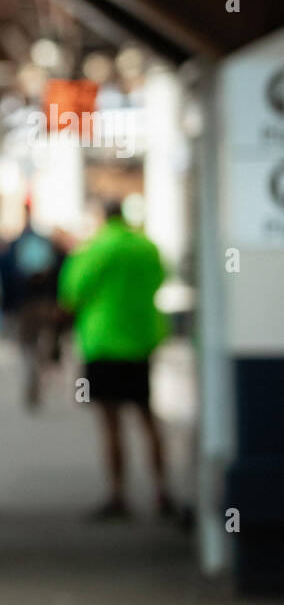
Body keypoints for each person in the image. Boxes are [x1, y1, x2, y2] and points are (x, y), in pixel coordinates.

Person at [59, 199, 171, 520]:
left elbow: (72, 292)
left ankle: (118, 494)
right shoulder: (146, 247)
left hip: (103, 342)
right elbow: (160, 279)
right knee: (147, 418)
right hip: (140, 340)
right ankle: (162, 490)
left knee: (111, 423)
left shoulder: (94, 249)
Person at [1, 203, 67, 409]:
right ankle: (36, 376)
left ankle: (33, 379)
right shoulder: (43, 243)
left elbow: (8, 276)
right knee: (39, 344)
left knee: (28, 346)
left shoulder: (17, 244)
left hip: (26, 303)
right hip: (43, 301)